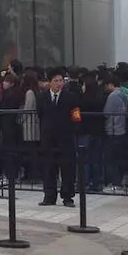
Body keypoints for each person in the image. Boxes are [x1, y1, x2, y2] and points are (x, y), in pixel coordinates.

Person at [38, 70, 79, 207]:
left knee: (67, 168)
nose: (59, 83)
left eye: (61, 80)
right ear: (50, 82)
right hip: (48, 138)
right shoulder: (42, 96)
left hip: (65, 138)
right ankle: (49, 196)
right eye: (55, 81)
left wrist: (73, 129)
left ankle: (67, 196)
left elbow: (76, 115)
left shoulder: (70, 97)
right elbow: (40, 114)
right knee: (48, 167)